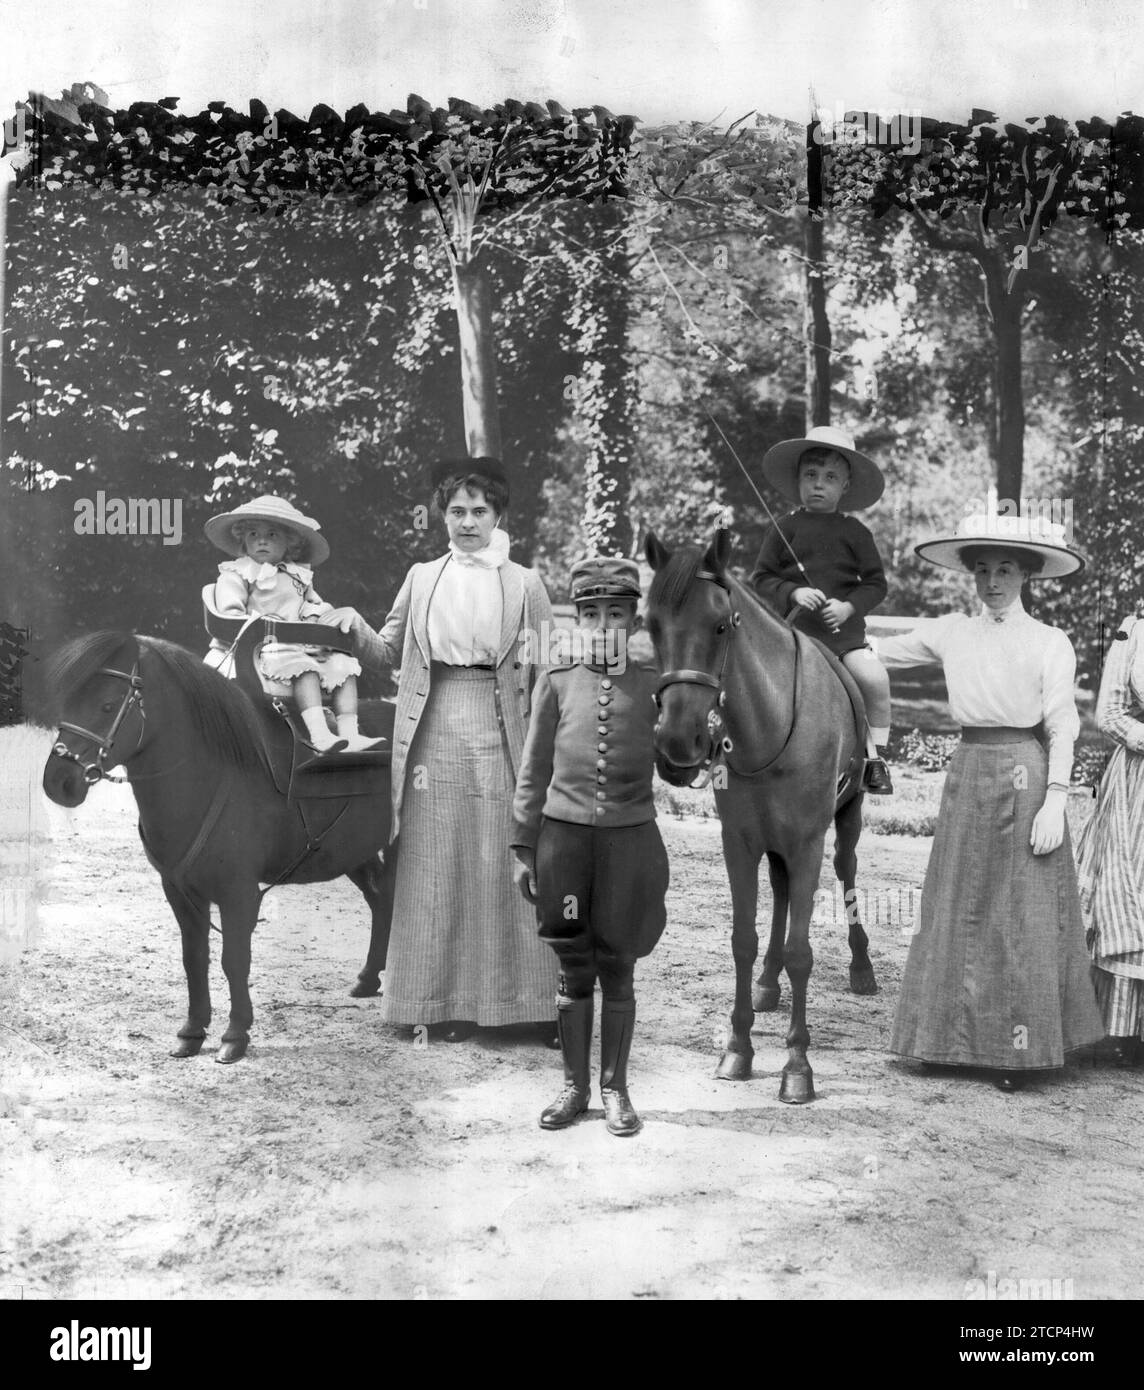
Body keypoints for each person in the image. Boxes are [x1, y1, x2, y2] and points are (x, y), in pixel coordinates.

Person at [874, 512, 1103, 1091]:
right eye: (982, 570)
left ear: (1026, 575)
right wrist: (827, 626)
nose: (993, 580)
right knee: (955, 900)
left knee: (1016, 910)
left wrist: (1056, 799)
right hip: (968, 768)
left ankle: (1014, 1051)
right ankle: (942, 1041)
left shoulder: (1049, 641)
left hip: (1025, 772)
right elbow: (876, 653)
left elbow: (1063, 725)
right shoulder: (953, 630)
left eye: (1005, 569)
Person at [349, 458, 558, 1042]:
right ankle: (433, 1003)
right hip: (433, 720)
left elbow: (546, 670)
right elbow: (388, 650)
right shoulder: (422, 577)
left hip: (503, 725)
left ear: (499, 516)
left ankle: (525, 1004)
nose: (467, 522)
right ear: (442, 515)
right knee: (434, 859)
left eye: (479, 511)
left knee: (503, 855)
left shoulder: (525, 583)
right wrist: (345, 625)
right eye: (457, 511)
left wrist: (549, 747)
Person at [511, 557, 668, 1136]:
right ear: (578, 619)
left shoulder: (655, 683)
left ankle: (616, 1089)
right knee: (574, 965)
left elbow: (679, 758)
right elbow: (534, 768)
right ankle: (575, 1087)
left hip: (630, 843)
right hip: (565, 842)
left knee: (619, 963)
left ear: (633, 621)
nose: (603, 625)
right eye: (591, 613)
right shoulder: (557, 679)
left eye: (616, 614)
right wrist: (525, 847)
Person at [750, 425, 894, 794]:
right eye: (810, 475)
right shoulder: (785, 528)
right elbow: (762, 578)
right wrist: (793, 593)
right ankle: (745, 750)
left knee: (874, 679)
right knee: (752, 683)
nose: (819, 485)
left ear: (845, 486)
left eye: (830, 477)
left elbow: (877, 583)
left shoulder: (856, 532)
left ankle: (875, 757)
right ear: (798, 479)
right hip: (794, 639)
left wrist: (848, 607)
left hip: (842, 639)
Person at [204, 494, 384, 753]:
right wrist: (264, 623)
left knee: (343, 666)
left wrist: (317, 615)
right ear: (243, 539)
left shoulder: (298, 575)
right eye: (253, 533)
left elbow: (315, 604)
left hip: (300, 643)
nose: (262, 540)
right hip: (260, 647)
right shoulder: (238, 573)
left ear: (290, 543)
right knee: (305, 668)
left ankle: (350, 733)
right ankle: (320, 734)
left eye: (273, 534)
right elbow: (230, 612)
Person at [1075, 603, 1144, 1066]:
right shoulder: (1133, 631)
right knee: (1130, 889)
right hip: (1139, 782)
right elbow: (1111, 713)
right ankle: (1125, 1030)